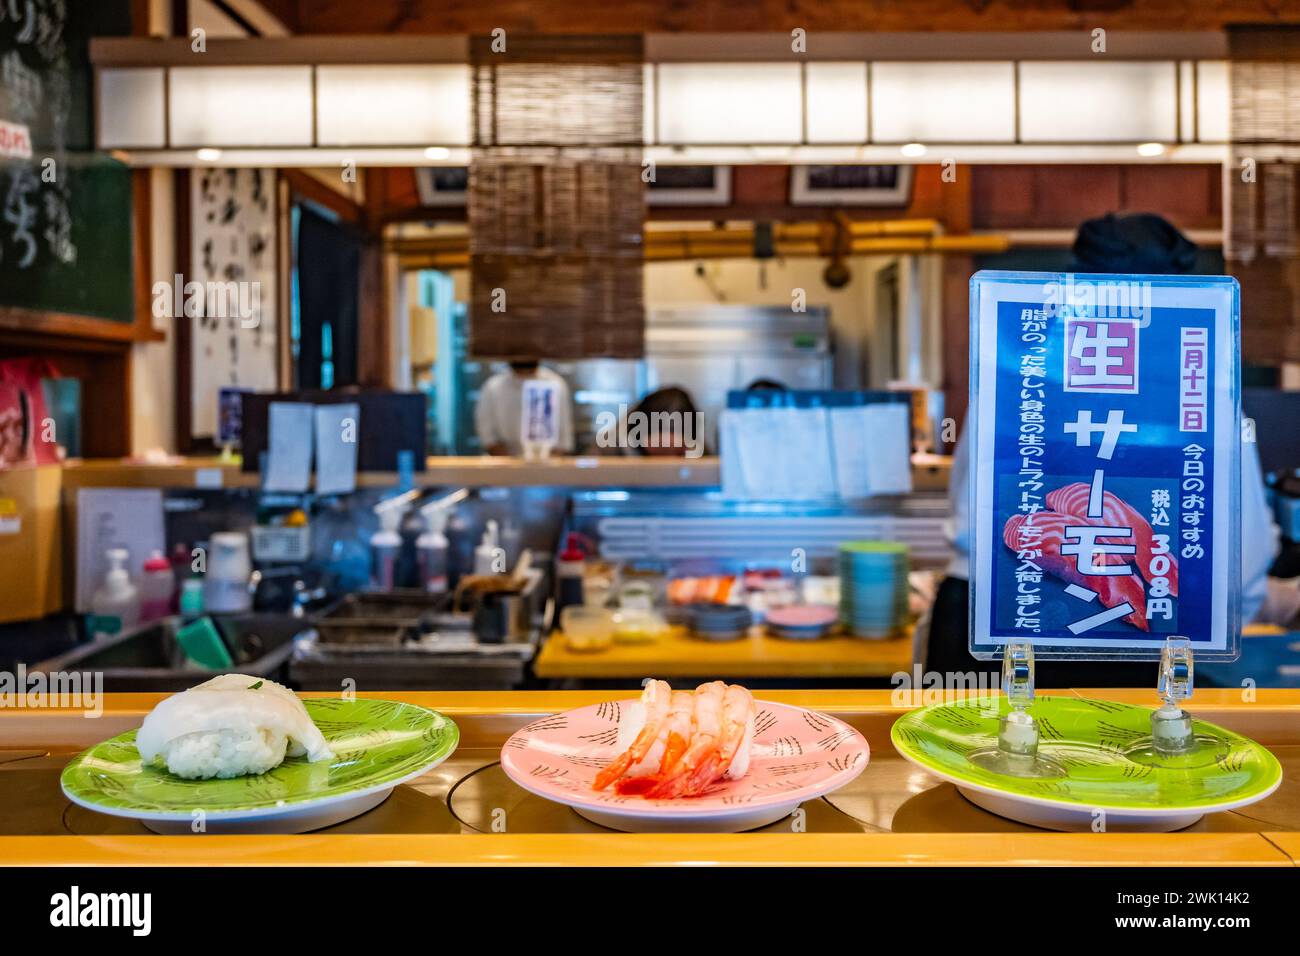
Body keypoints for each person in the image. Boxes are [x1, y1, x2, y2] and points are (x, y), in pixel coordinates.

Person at [923, 213, 1291, 687]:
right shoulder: (1204, 390)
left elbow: (971, 514)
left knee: (972, 758)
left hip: (982, 625)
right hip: (1138, 642)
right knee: (1128, 758)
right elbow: (1241, 571)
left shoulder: (1013, 374)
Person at [474, 360, 574, 457]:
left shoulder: (555, 383)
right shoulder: (493, 386)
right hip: (506, 465)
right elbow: (488, 437)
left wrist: (545, 467)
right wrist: (514, 466)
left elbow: (563, 439)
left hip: (547, 465)